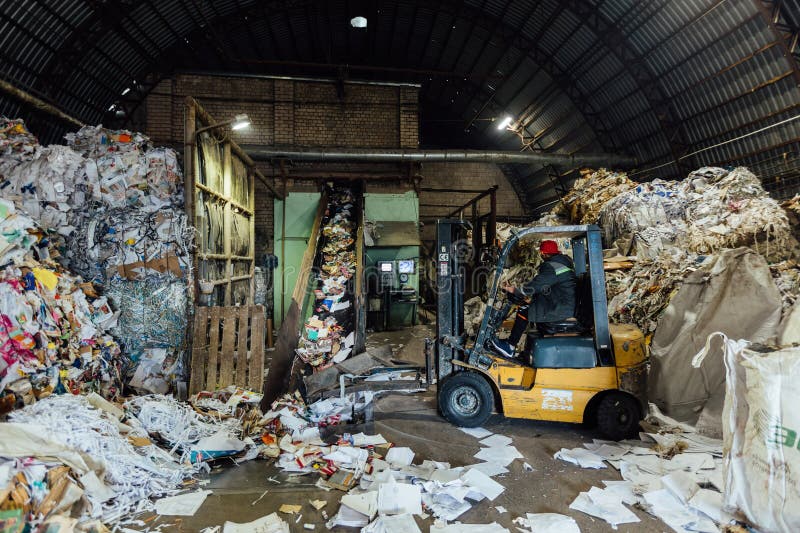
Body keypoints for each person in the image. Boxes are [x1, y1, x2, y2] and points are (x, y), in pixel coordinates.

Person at [489, 240, 577, 358]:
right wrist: (530, 298)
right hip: (560, 302)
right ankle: (523, 351)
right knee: (527, 306)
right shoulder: (561, 263)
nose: (541, 255)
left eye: (541, 253)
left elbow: (537, 285)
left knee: (524, 309)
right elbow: (549, 287)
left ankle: (510, 346)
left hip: (560, 308)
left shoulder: (552, 266)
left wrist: (515, 290)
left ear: (544, 253)